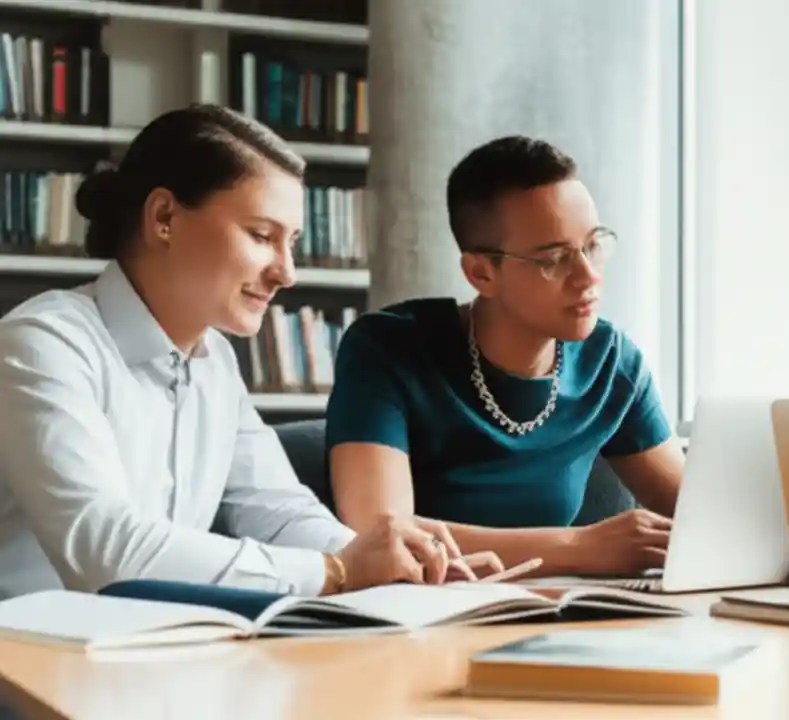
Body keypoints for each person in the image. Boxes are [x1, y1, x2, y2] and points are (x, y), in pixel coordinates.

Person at [0, 105, 495, 600]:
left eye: (293, 243)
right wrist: (338, 571)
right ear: (164, 218)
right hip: (27, 663)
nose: (287, 272)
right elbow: (107, 553)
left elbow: (276, 510)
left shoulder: (212, 358)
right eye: (262, 236)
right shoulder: (42, 346)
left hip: (147, 652)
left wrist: (391, 564)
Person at [326, 136, 683, 577]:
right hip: (423, 623)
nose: (587, 276)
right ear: (480, 272)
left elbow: (701, 518)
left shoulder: (610, 362)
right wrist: (578, 546)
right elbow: (383, 534)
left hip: (559, 617)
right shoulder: (387, 348)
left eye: (592, 246)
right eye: (554, 259)